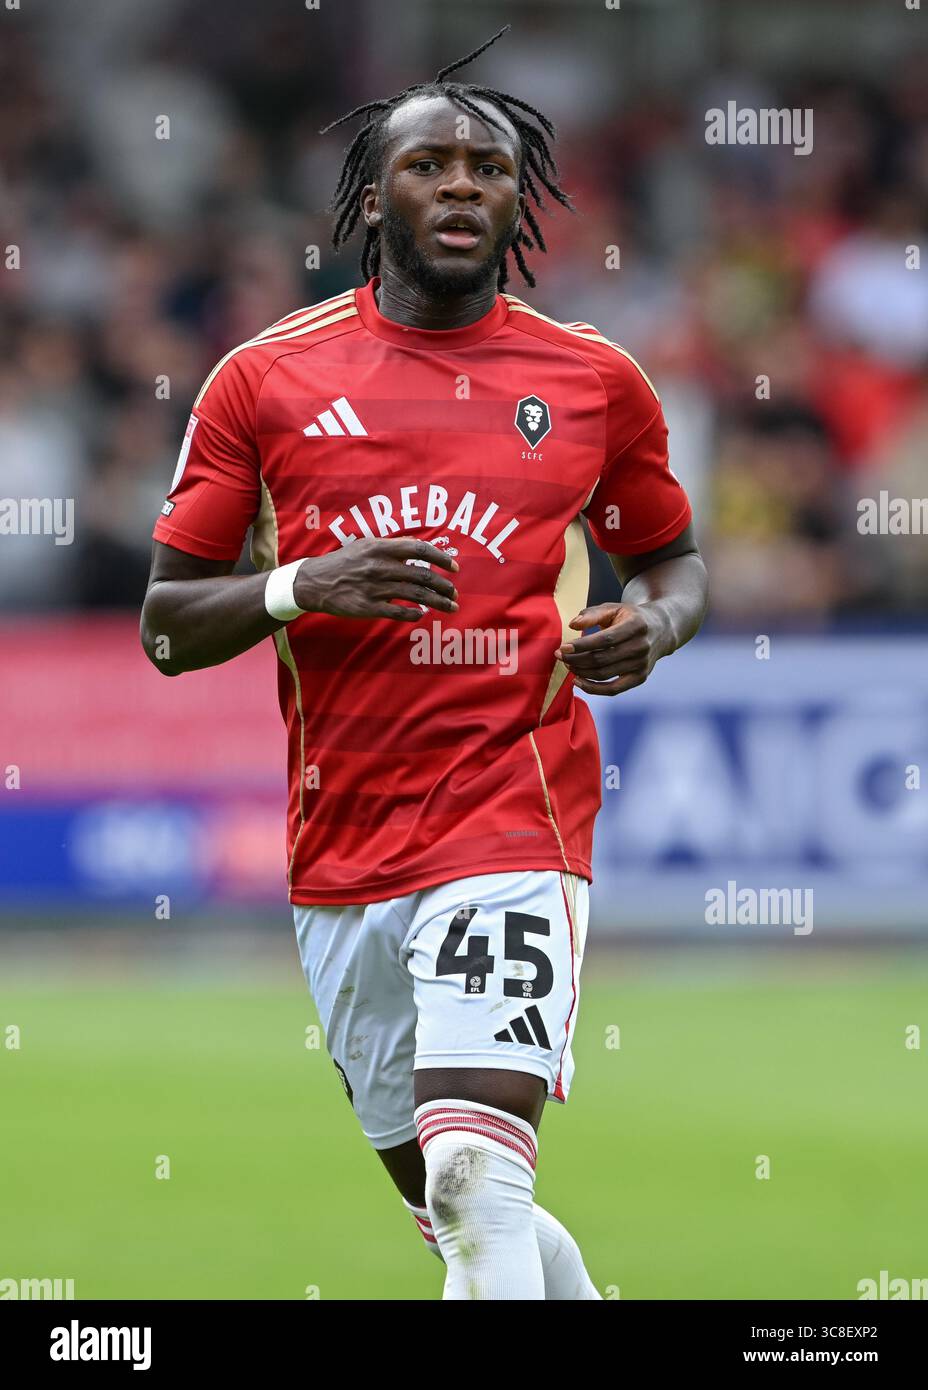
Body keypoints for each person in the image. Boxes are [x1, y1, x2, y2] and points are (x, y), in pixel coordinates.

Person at [140, 26, 708, 1300]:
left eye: (489, 169)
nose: (461, 186)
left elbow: (673, 563)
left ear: (522, 201)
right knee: (458, 1205)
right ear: (371, 197)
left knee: (473, 1178)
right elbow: (167, 626)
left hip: (515, 811)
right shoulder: (263, 381)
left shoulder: (592, 381)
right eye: (429, 165)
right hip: (340, 844)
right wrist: (300, 586)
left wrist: (654, 627)